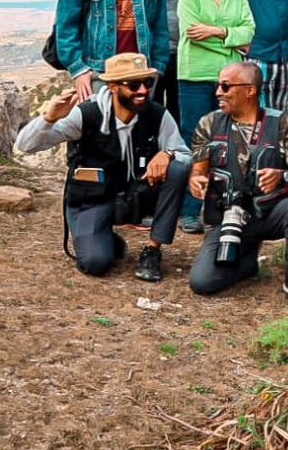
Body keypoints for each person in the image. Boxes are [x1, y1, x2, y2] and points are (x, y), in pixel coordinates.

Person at [14, 53, 190, 282]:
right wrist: (49, 118)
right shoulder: (87, 114)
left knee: (176, 169)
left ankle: (152, 250)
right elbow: (25, 145)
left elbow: (185, 156)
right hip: (92, 198)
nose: (143, 91)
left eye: (147, 83)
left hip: (136, 195)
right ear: (113, 86)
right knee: (95, 263)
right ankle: (105, 238)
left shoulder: (157, 115)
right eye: (134, 84)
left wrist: (168, 154)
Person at [185, 61, 288, 305]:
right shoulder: (209, 123)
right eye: (218, 86)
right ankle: (246, 262)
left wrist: (283, 176)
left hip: (271, 211)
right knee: (201, 282)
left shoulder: (283, 123)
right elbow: (198, 169)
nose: (218, 92)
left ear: (250, 90)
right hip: (229, 218)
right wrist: (197, 181)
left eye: (225, 87)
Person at [174, 0, 256, 234]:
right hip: (195, 76)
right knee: (195, 141)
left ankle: (225, 207)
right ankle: (189, 209)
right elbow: (190, 31)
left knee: (230, 141)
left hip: (231, 81)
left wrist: (215, 31)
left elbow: (249, 31)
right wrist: (230, 43)